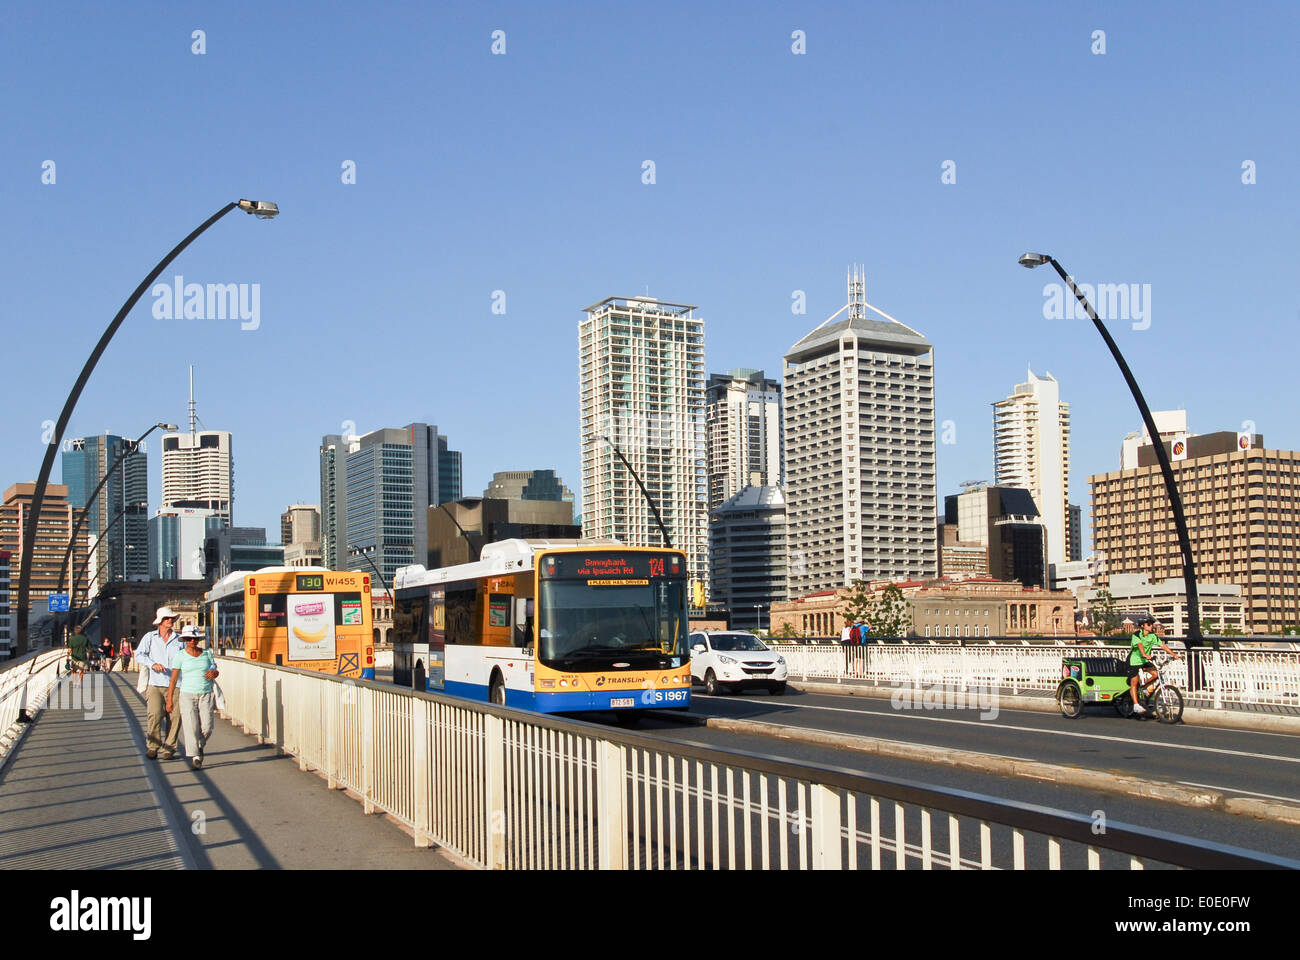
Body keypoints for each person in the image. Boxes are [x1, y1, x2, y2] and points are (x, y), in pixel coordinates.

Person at [166, 624, 220, 769]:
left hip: (205, 693)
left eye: (194, 638)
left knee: (207, 727)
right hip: (187, 694)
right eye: (189, 639)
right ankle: (195, 756)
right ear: (184, 640)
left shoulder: (207, 654)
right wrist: (169, 700)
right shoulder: (180, 656)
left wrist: (213, 673)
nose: (192, 641)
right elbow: (173, 679)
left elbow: (215, 670)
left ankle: (200, 744)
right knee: (191, 726)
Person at [135, 606, 184, 759]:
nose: (171, 620)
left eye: (172, 618)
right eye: (167, 618)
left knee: (175, 716)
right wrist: (152, 664)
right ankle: (153, 746)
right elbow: (139, 655)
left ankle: (169, 748)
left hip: (175, 683)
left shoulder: (180, 639)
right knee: (155, 714)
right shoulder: (150, 637)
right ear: (160, 621)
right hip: (155, 682)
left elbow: (187, 657)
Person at [1127, 615, 1181, 715]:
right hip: (1134, 660)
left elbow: (1162, 645)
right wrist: (1144, 654)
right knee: (1134, 682)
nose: (1151, 626)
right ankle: (1136, 705)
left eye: (1152, 624)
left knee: (1156, 674)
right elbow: (1140, 646)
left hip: (1144, 660)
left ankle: (1143, 688)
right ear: (1142, 626)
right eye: (1149, 624)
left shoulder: (1152, 636)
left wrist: (1174, 654)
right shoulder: (1137, 635)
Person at [66, 620, 92, 686]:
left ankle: (74, 681)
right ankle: (79, 682)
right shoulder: (85, 639)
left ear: (75, 631)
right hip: (83, 657)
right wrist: (90, 656)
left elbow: (69, 649)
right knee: (81, 670)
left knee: (74, 670)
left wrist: (67, 657)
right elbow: (90, 649)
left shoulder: (72, 639)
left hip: (74, 657)